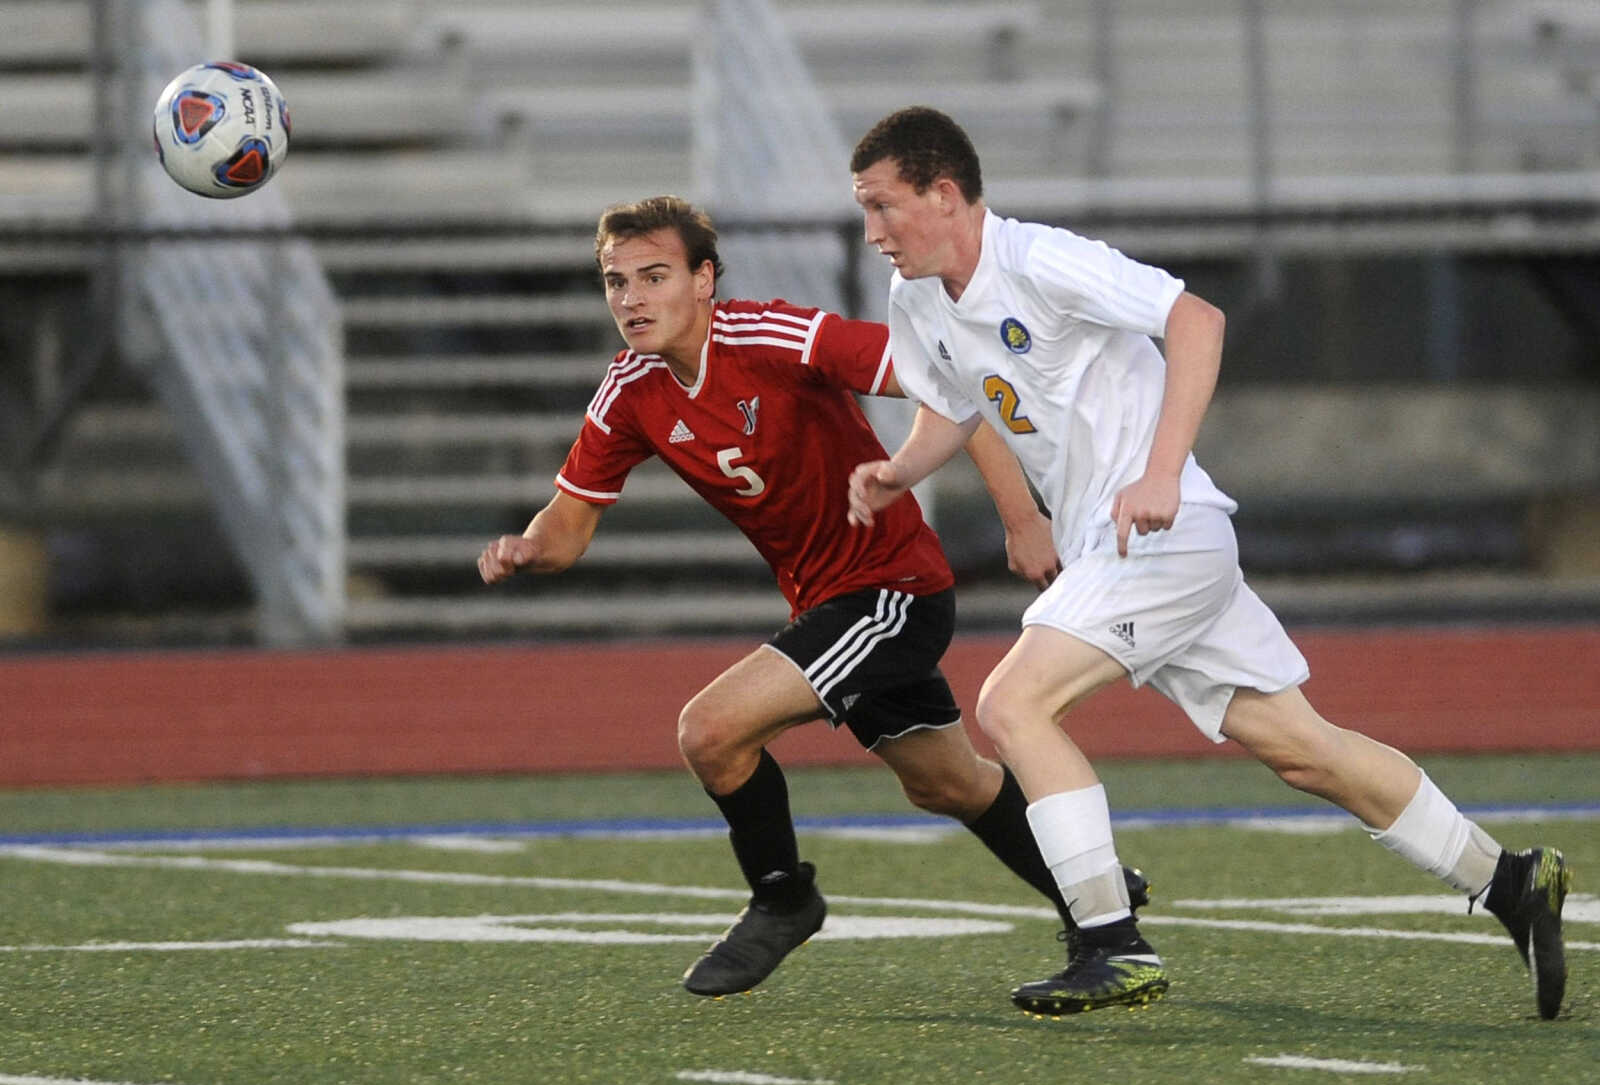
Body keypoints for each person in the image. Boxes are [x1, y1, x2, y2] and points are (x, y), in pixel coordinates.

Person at [844, 106, 1573, 1020]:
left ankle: (1110, 941)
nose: (873, 232)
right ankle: (1511, 882)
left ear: (943, 194)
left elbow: (1196, 318)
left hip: (1164, 535)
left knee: (1011, 703)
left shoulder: (1039, 259)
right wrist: (900, 469)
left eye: (883, 207)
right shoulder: (919, 301)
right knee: (1306, 752)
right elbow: (958, 403)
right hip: (1126, 553)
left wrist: (1158, 472)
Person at [477, 195, 1149, 999]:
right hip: (829, 604)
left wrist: (1020, 519)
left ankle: (783, 898)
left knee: (711, 731)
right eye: (616, 282)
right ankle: (1094, 895)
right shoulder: (629, 391)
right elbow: (569, 527)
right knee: (948, 783)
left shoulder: (773, 337)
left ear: (705, 279)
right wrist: (529, 548)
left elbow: (956, 380)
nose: (631, 299)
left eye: (654, 276)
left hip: (891, 591)